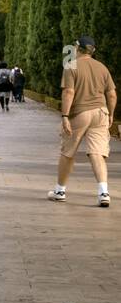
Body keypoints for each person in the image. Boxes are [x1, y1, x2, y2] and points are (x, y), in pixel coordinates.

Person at [50, 36, 116, 207]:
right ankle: (103, 193)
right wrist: (111, 114)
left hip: (80, 112)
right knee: (97, 153)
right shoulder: (102, 67)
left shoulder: (71, 65)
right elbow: (112, 94)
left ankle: (60, 190)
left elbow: (68, 92)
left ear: (77, 48)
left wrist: (65, 116)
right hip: (101, 112)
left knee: (68, 152)